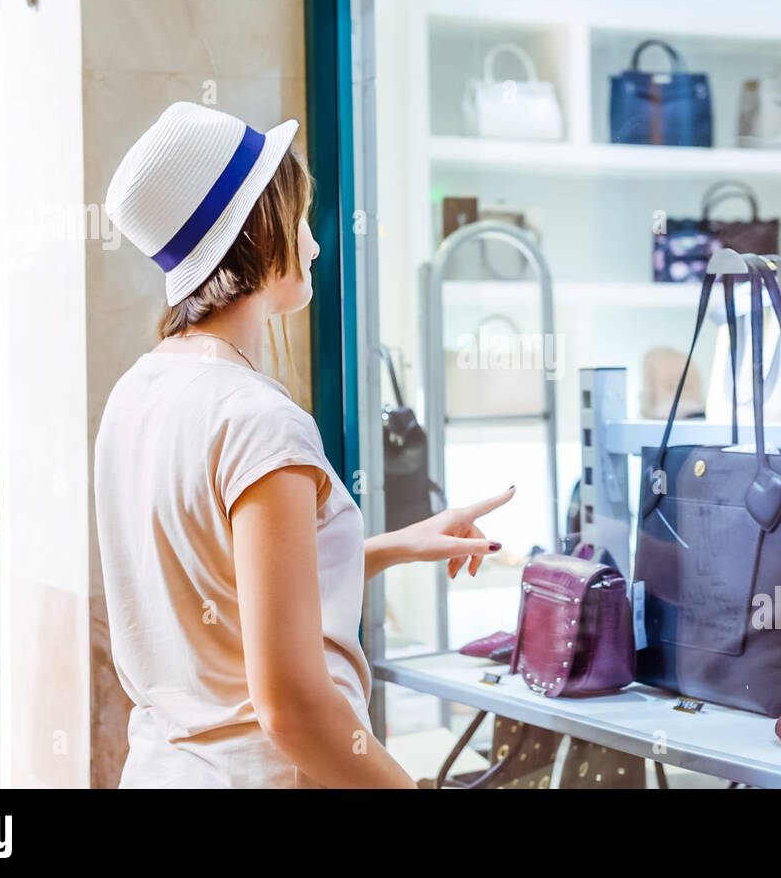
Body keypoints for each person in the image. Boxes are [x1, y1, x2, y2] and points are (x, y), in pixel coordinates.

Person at [95, 102, 512, 787]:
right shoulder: (256, 418)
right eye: (298, 219)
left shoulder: (136, 395)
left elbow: (225, 587)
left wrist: (395, 545)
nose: (313, 244)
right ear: (259, 229)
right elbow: (292, 707)